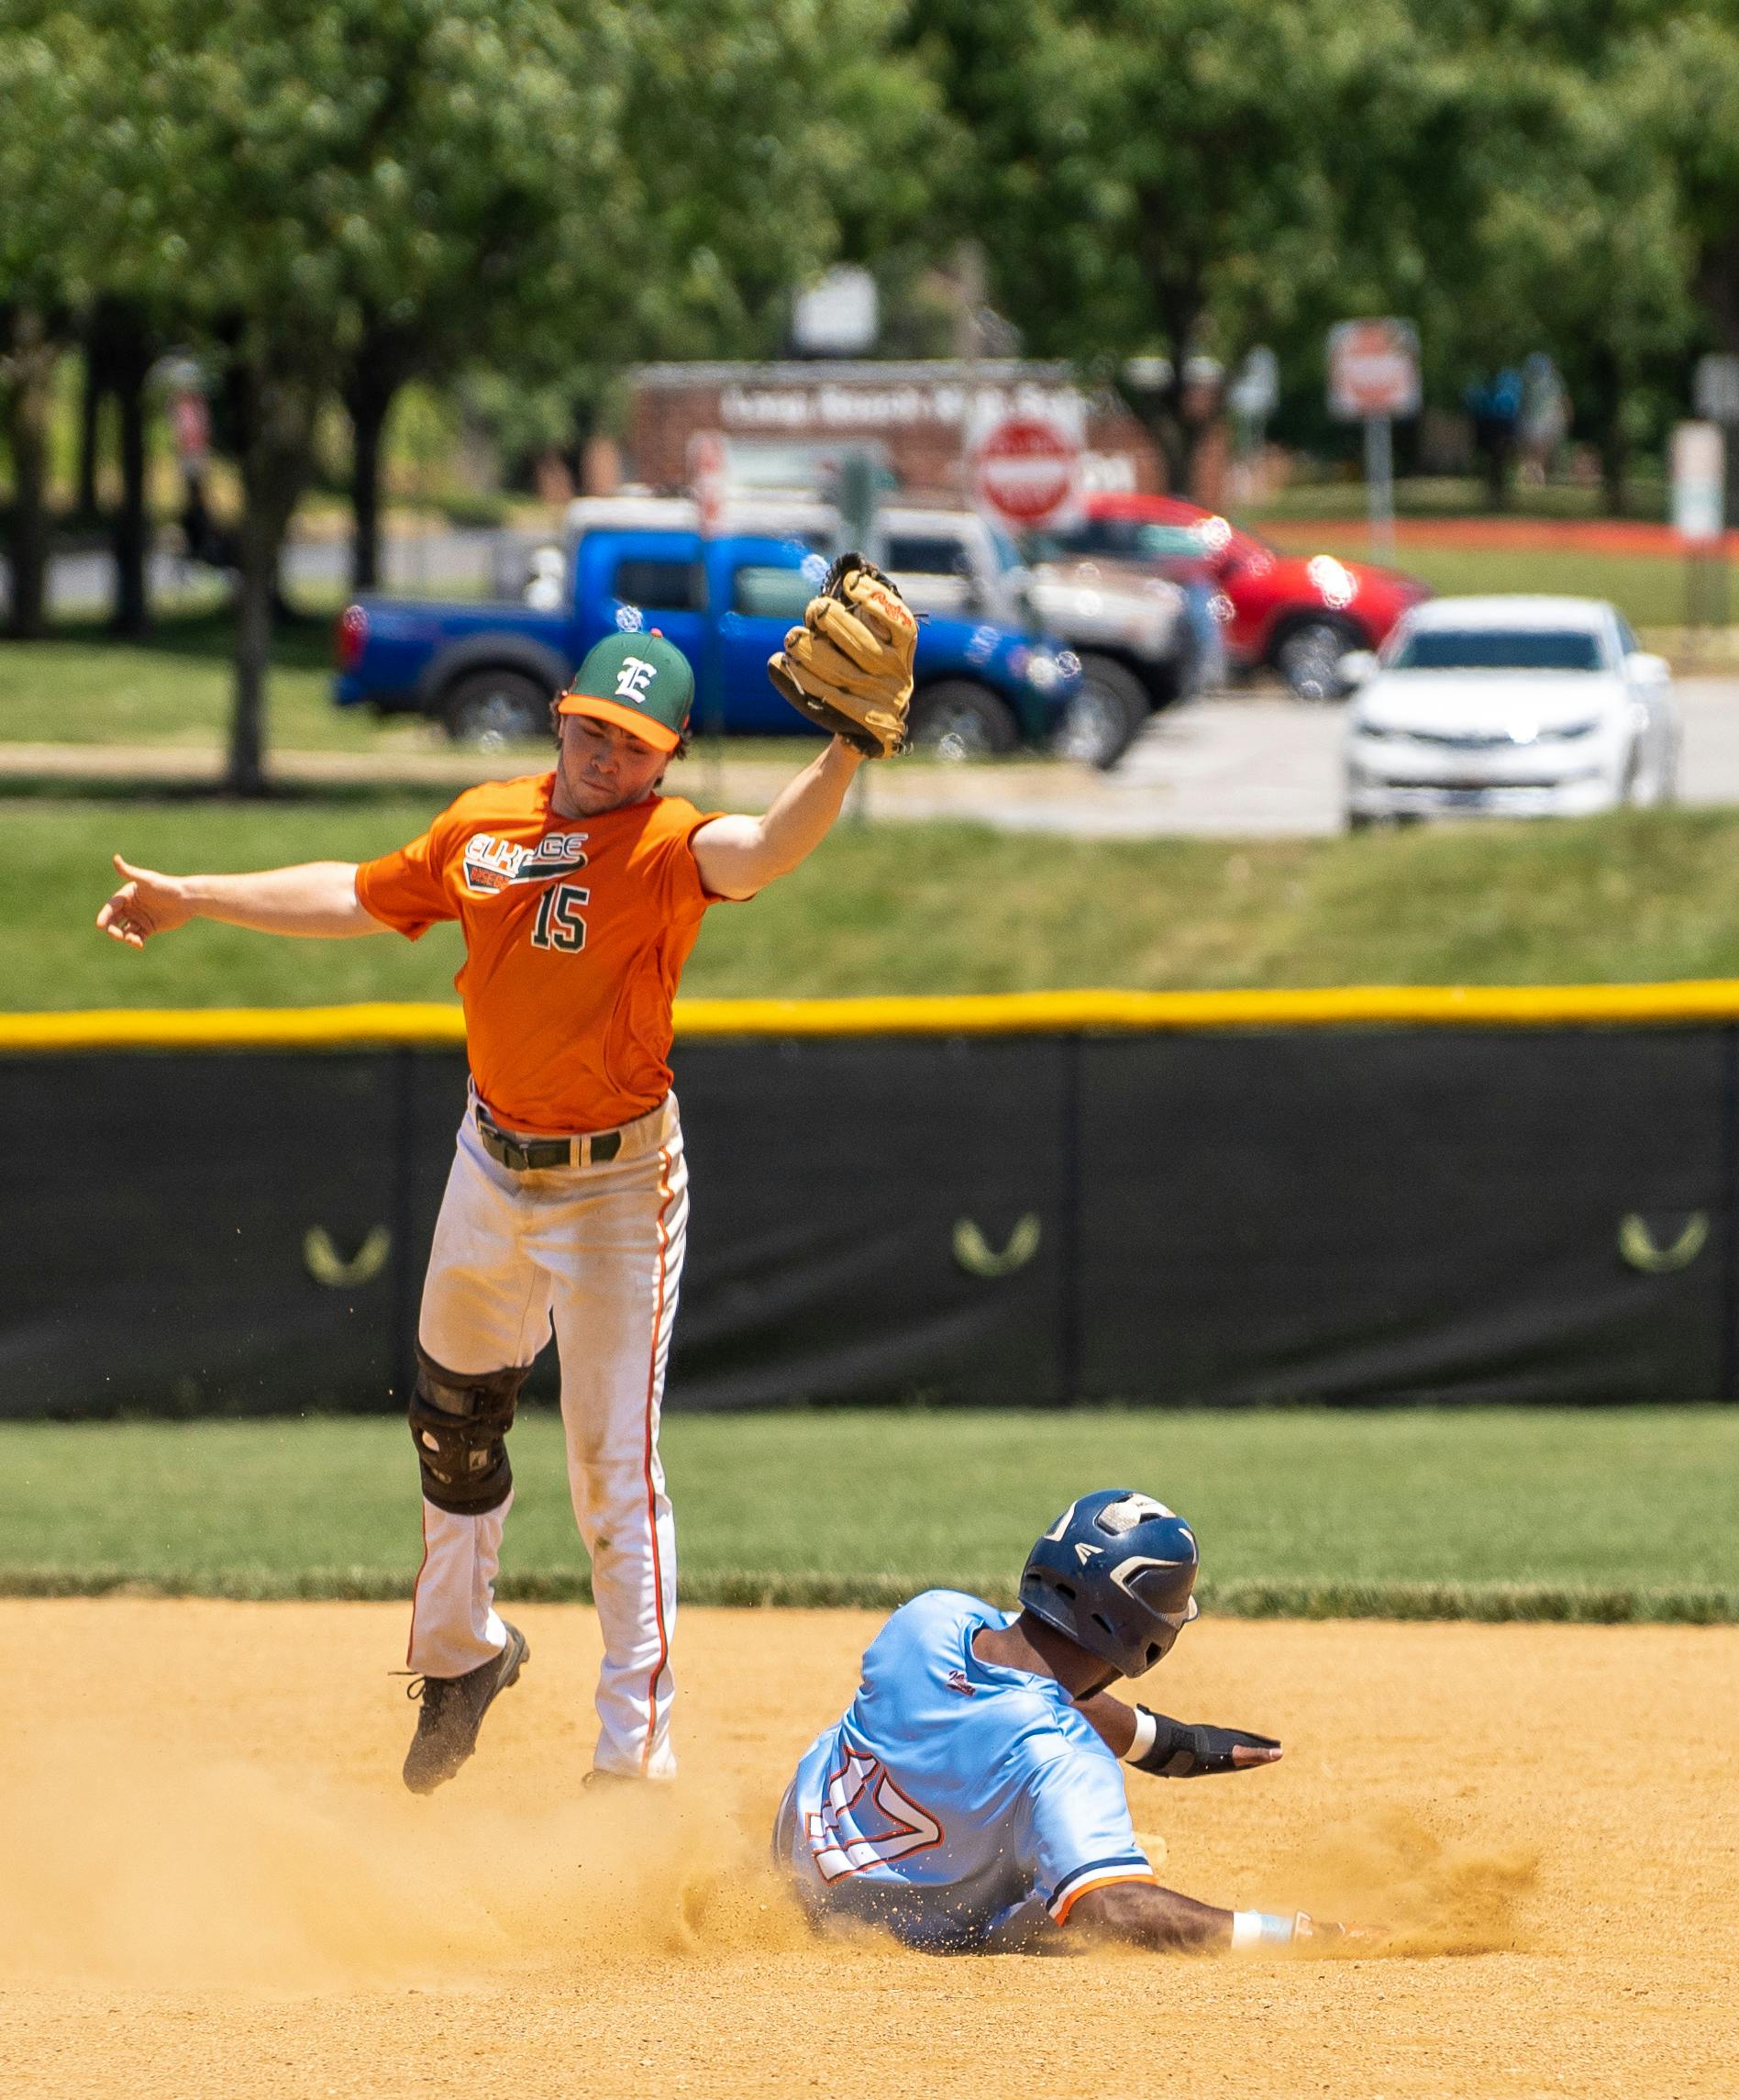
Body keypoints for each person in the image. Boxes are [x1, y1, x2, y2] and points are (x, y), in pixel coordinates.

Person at [95, 626, 890, 1792]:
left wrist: (847, 750)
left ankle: (634, 1761)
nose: (602, 754)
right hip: (489, 1158)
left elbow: (765, 849)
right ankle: (462, 1656)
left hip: (619, 1187)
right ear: (558, 713)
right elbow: (356, 893)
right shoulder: (484, 827)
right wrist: (196, 896)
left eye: (633, 743)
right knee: (452, 1426)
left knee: (610, 1476)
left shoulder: (669, 847)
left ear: (664, 761)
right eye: (589, 725)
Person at [776, 1489, 1340, 1955]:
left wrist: (1168, 1745)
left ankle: (1072, 1841)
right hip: (870, 1927)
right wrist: (1295, 1935)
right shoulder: (1065, 1760)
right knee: (1063, 1909)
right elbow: (1112, 1907)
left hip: (792, 1854)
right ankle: (1078, 1846)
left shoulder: (929, 1618)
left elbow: (1034, 1675)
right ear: (1148, 1638)